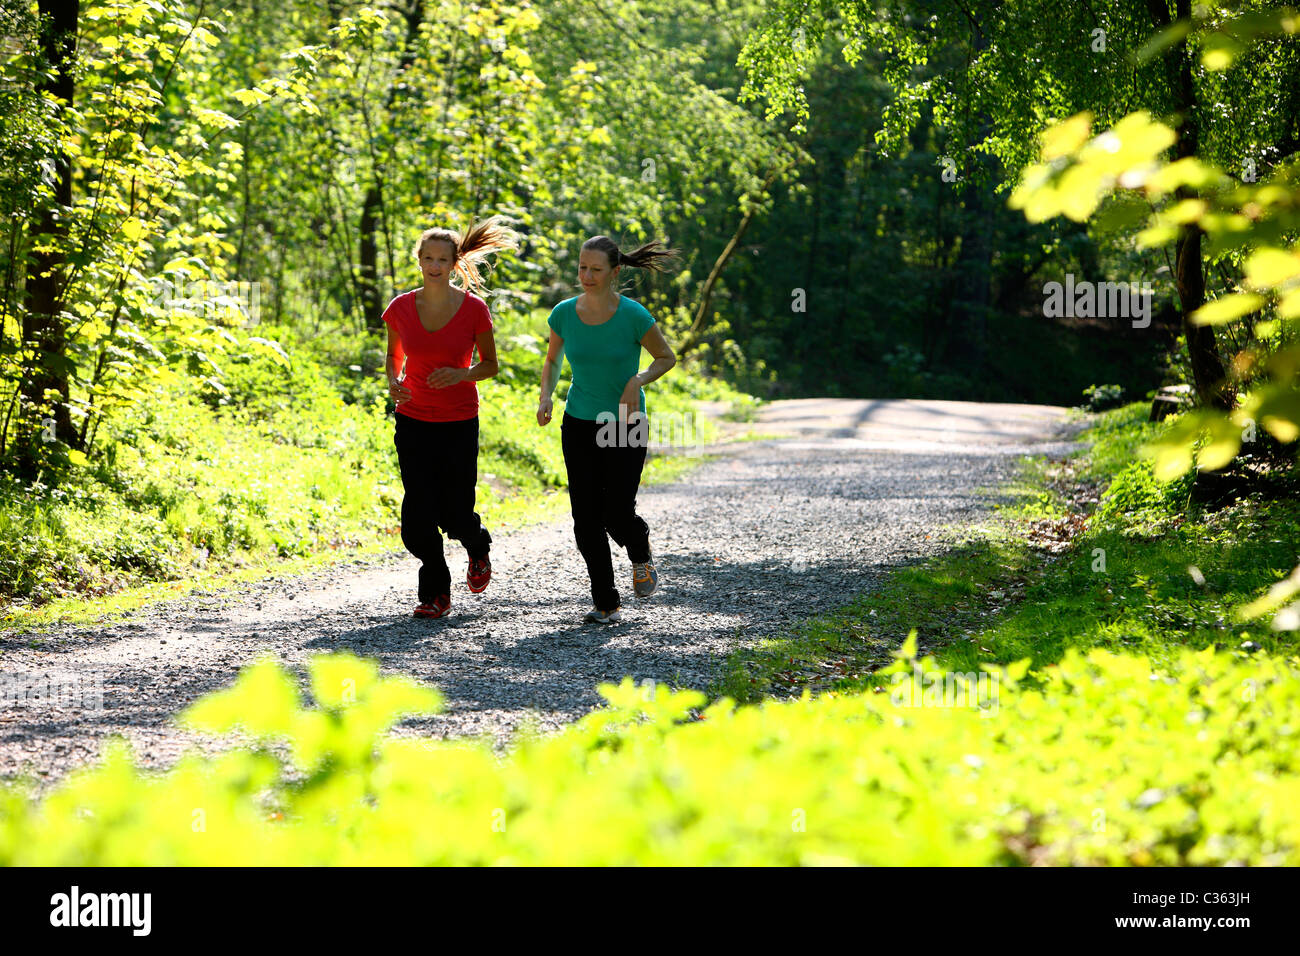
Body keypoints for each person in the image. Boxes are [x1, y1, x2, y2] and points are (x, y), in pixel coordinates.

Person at [536, 235, 678, 623]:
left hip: (626, 424)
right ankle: (606, 601)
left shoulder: (634, 315)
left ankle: (640, 550)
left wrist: (638, 379)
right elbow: (552, 360)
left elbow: (666, 357)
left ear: (615, 272)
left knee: (616, 512)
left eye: (595, 269)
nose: (586, 275)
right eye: (582, 267)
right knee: (585, 516)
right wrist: (546, 395)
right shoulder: (564, 313)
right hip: (580, 421)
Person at [384, 217, 519, 618]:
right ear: (419, 260)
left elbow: (491, 365)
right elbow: (394, 357)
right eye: (427, 257)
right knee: (416, 517)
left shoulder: (474, 310)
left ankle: (477, 546)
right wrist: (394, 381)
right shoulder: (402, 307)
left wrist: (463, 373)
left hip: (459, 421)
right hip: (413, 419)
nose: (434, 265)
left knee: (456, 513)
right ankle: (435, 593)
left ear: (454, 262)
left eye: (442, 259)